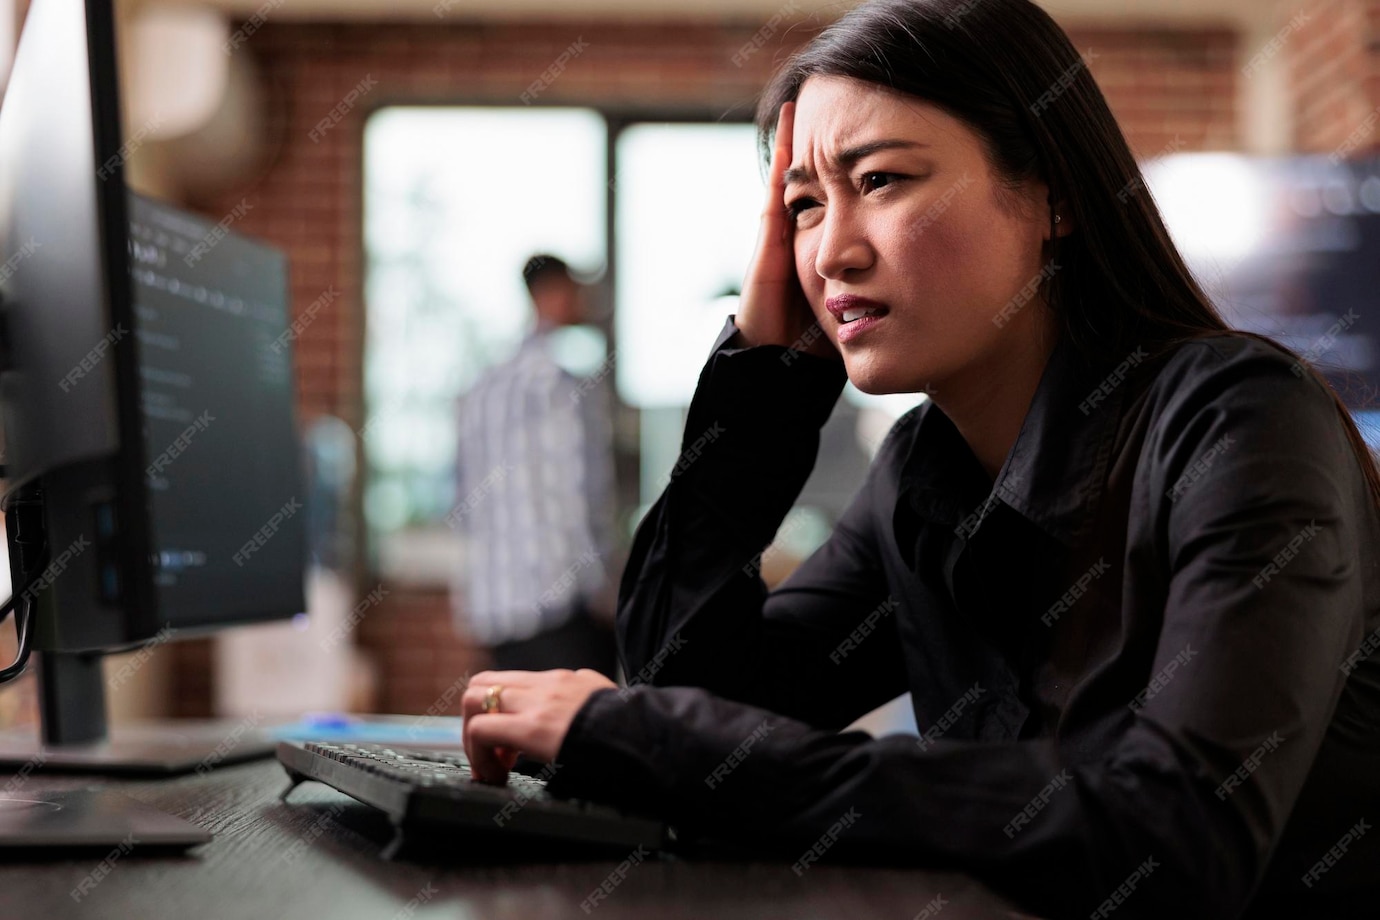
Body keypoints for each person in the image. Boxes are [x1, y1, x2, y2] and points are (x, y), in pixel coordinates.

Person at [455, 2, 1380, 917]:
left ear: (1055, 190)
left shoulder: (1242, 421)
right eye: (805, 206)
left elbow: (1175, 834)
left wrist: (651, 736)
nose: (832, 252)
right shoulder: (923, 473)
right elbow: (694, 702)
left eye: (884, 180)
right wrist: (762, 378)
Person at [449, 254, 619, 679]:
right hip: (559, 606)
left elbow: (461, 502)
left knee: (513, 736)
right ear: (554, 293)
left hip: (495, 610)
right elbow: (582, 495)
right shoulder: (561, 388)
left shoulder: (481, 387)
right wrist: (606, 588)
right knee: (579, 737)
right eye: (576, 290)